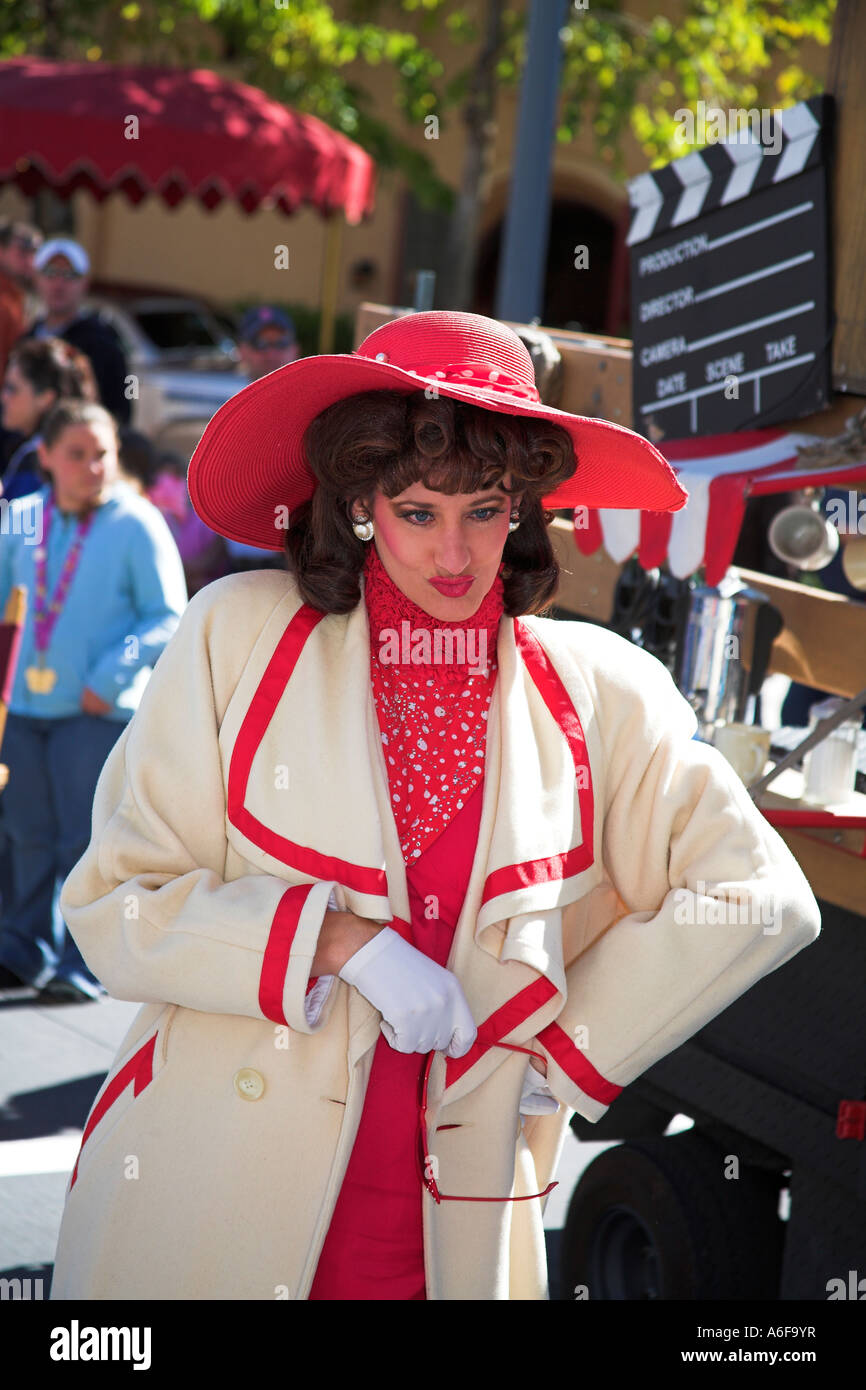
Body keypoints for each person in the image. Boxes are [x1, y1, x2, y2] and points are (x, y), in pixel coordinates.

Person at [49, 311, 821, 1299]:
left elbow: (758, 895)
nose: (454, 554)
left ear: (524, 508)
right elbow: (114, 903)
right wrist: (335, 943)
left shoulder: (599, 689)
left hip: (444, 1225)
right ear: (361, 501)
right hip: (208, 1187)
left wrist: (572, 1047)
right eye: (416, 512)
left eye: (486, 510)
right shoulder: (233, 636)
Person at [0, 399, 187, 1003]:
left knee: (88, 841)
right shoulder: (22, 519)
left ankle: (83, 963)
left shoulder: (136, 522)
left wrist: (109, 675)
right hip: (23, 711)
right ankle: (24, 948)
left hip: (93, 713)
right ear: (47, 457)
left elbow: (165, 616)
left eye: (102, 453)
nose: (92, 467)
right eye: (76, 454)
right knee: (27, 832)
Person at [24, 238, 132, 426]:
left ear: (84, 282)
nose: (58, 283)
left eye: (69, 274)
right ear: (36, 279)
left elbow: (122, 407)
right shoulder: (26, 339)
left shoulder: (102, 342)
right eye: (50, 272)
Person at [0, 337, 98, 501]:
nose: (3, 397)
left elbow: (18, 523)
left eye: (12, 389)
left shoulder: (38, 459)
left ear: (45, 398)